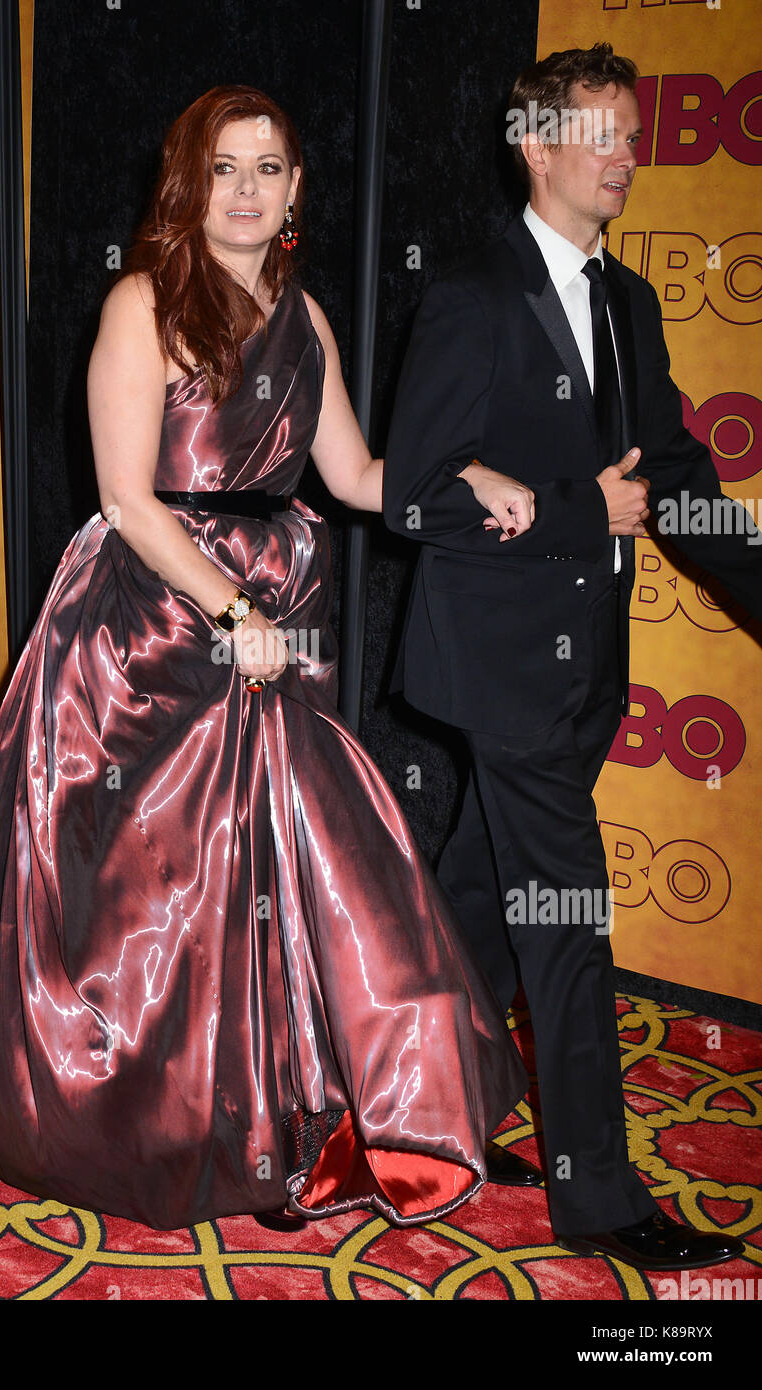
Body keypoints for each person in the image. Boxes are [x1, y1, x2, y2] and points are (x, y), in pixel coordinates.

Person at [0, 86, 532, 1232]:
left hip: (271, 622)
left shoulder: (305, 321)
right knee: (157, 889)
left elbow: (356, 478)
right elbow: (123, 497)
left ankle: (300, 1114)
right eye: (225, 169)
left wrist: (466, 486)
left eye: (269, 168)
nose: (249, 190)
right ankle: (151, 1116)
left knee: (299, 863)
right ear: (188, 182)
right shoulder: (142, 302)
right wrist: (231, 607)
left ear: (298, 187)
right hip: (148, 628)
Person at [383, 43, 762, 1270]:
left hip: (584, 663)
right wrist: (564, 511)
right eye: (598, 133)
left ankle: (398, 1109)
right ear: (533, 145)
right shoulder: (475, 294)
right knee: (569, 917)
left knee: (479, 906)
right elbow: (411, 497)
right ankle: (596, 1193)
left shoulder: (629, 299)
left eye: (633, 135)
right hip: (500, 667)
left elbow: (676, 478)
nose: (625, 156)